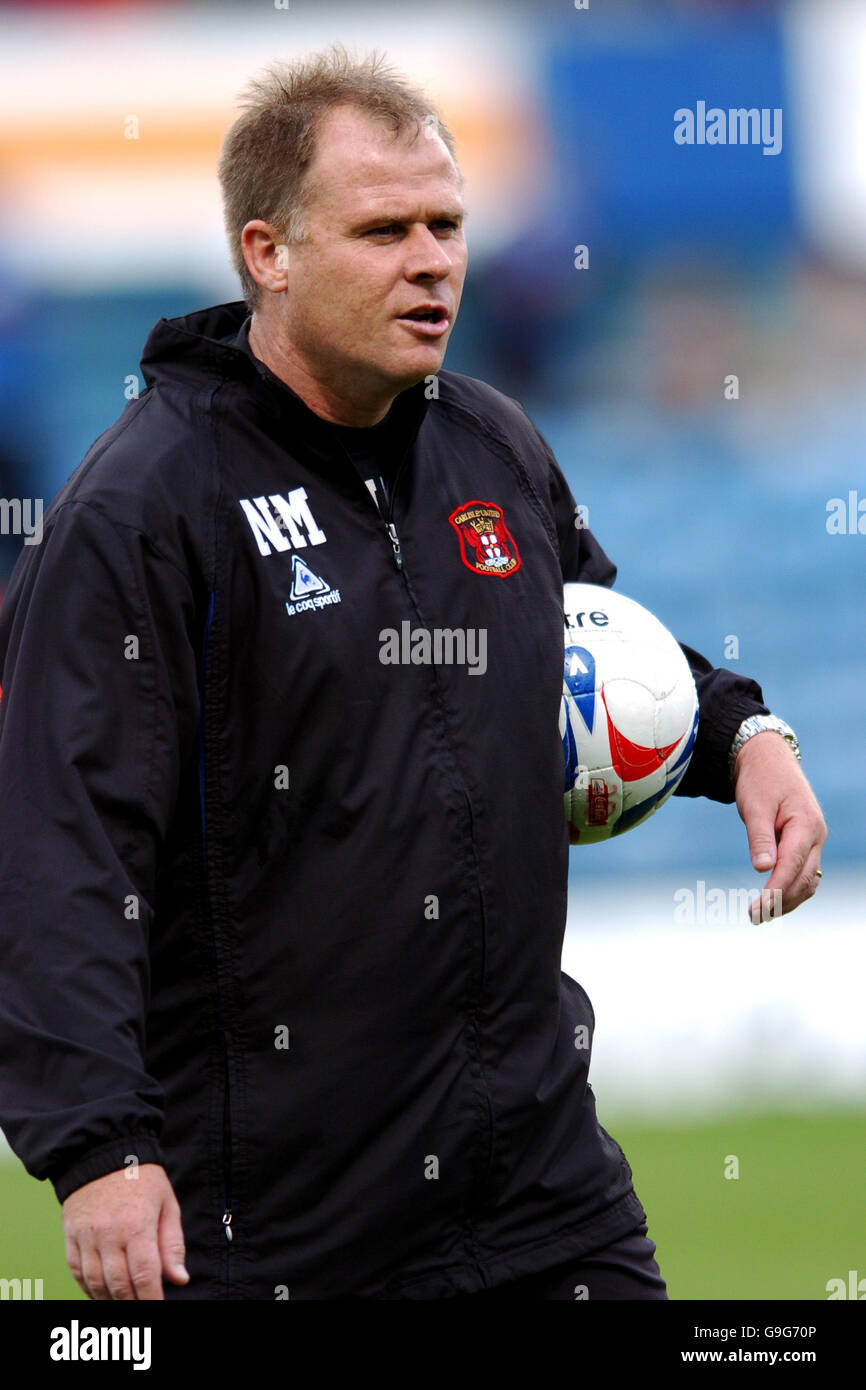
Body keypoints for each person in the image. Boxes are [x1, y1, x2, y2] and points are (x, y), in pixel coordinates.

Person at [0, 44, 826, 1301]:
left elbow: (600, 645)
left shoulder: (492, 442)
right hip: (278, 1226)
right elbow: (58, 848)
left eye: (445, 223)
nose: (431, 259)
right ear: (268, 253)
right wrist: (97, 1144)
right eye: (384, 229)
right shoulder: (144, 508)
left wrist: (744, 738)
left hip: (539, 1190)